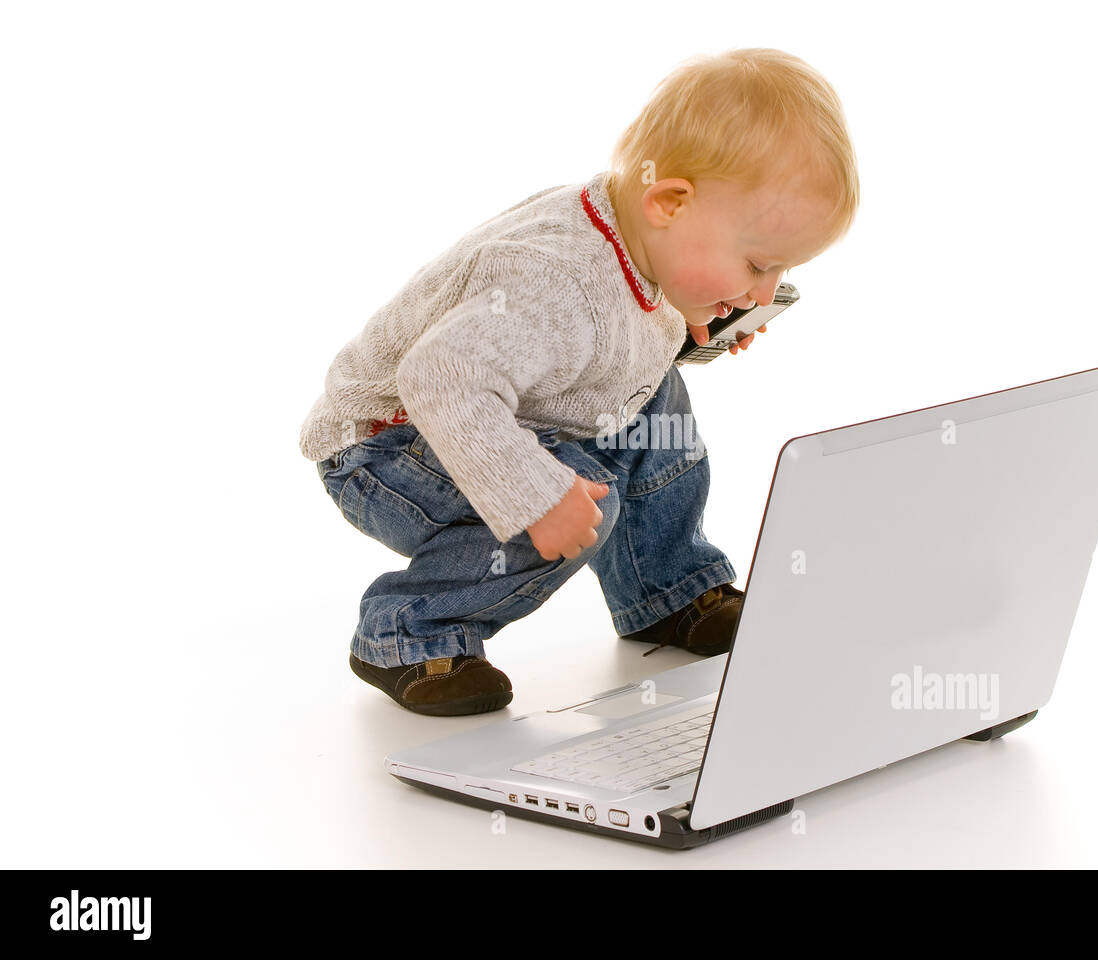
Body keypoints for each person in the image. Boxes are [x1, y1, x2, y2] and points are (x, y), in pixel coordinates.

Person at [299, 48, 860, 715]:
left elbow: (592, 356)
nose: (762, 290)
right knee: (580, 506)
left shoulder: (635, 237)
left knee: (657, 402)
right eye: (758, 263)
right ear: (670, 203)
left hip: (491, 409)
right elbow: (441, 378)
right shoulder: (555, 279)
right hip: (385, 446)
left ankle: (666, 589)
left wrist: (681, 330)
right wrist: (538, 494)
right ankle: (408, 632)